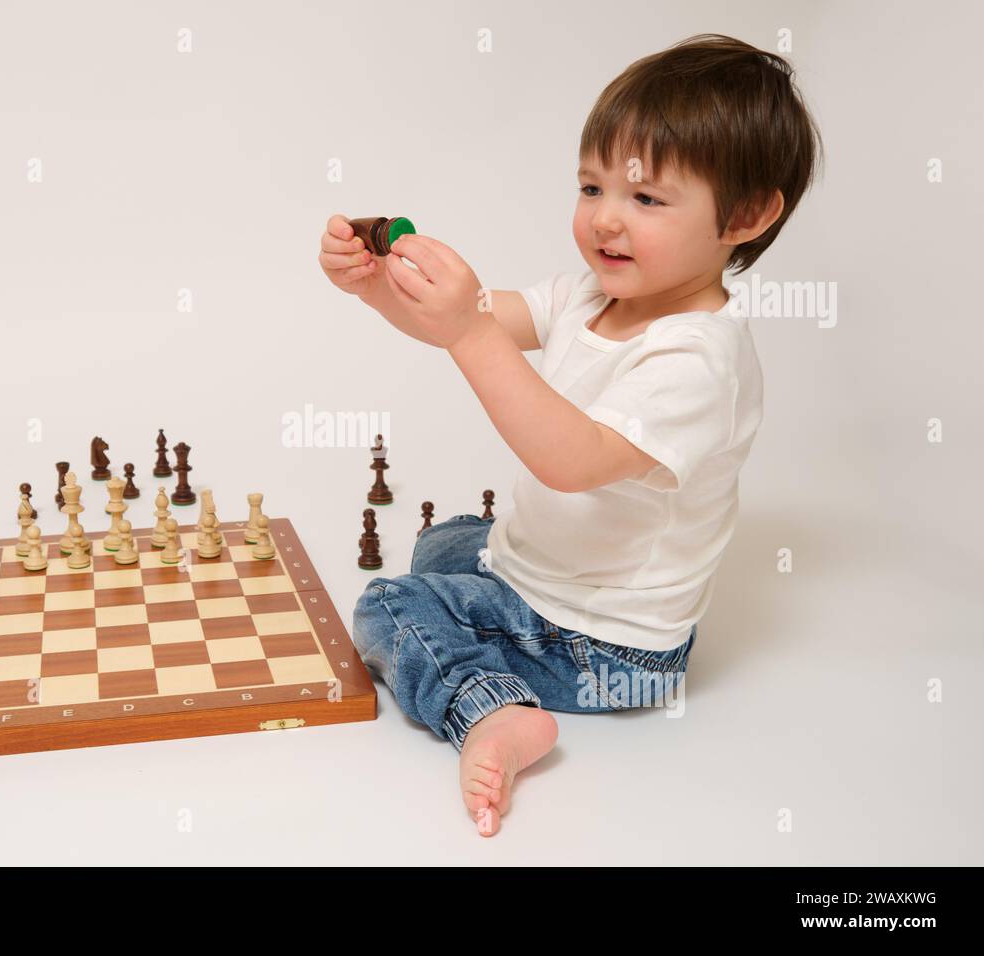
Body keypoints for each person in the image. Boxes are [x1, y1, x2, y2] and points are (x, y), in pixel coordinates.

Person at [318, 34, 823, 836]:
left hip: (610, 649)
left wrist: (468, 334)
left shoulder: (702, 360)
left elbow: (570, 461)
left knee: (389, 605)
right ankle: (492, 627)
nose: (605, 220)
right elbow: (478, 319)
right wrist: (379, 287)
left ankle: (490, 713)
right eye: (592, 187)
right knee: (446, 542)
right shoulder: (592, 296)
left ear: (747, 215)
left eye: (647, 200)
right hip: (551, 582)